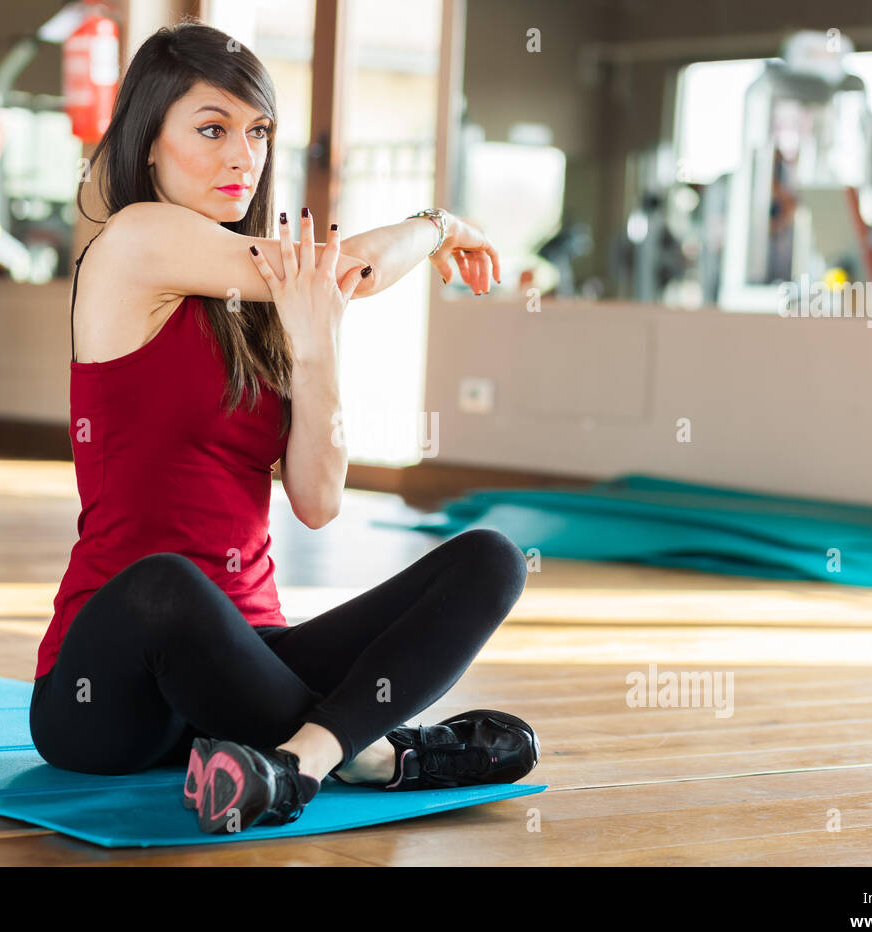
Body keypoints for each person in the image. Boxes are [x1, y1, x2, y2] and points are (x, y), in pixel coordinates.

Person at [29, 19, 539, 836]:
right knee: (167, 583)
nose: (244, 156)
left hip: (242, 673)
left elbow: (318, 501)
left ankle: (294, 762)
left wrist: (314, 349)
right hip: (106, 696)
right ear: (149, 145)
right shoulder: (133, 242)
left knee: (492, 559)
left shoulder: (268, 306)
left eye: (258, 131)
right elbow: (346, 270)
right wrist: (438, 225)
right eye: (211, 130)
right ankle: (376, 754)